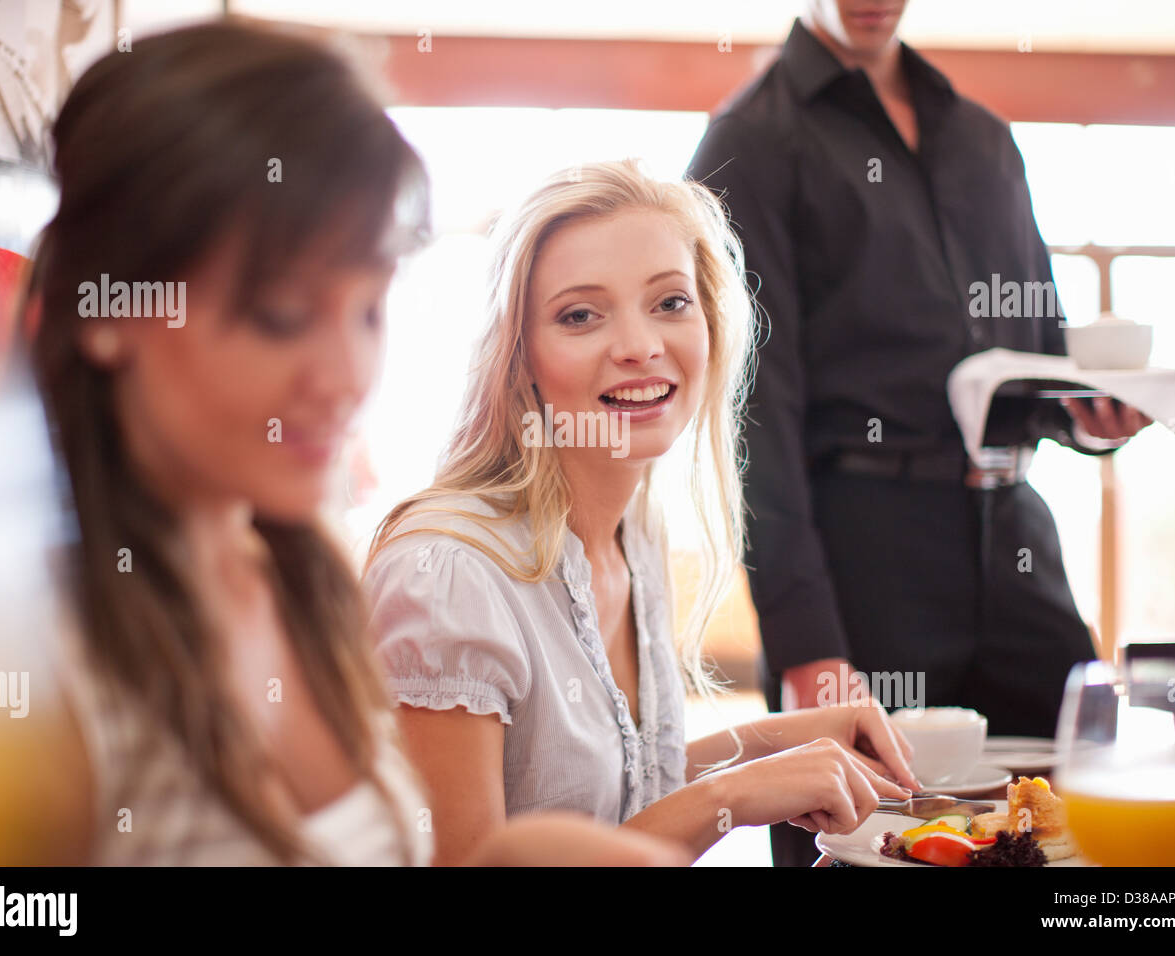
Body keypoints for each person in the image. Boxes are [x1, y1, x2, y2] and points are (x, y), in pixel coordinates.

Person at [15, 21, 687, 867]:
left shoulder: (304, 583)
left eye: (368, 310)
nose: (346, 374)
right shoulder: (34, 663)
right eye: (282, 314)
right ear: (110, 308)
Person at [685, 0, 1150, 866]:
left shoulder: (982, 136)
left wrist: (1092, 414)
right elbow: (752, 420)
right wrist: (807, 644)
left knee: (1084, 829)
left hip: (1015, 544)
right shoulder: (750, 139)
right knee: (865, 840)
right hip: (861, 559)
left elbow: (1036, 360)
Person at [363, 158, 921, 866]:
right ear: (519, 355)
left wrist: (776, 739)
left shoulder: (633, 534)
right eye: (580, 315)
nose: (640, 347)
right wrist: (734, 798)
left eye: (669, 303)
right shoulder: (446, 575)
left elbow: (604, 798)